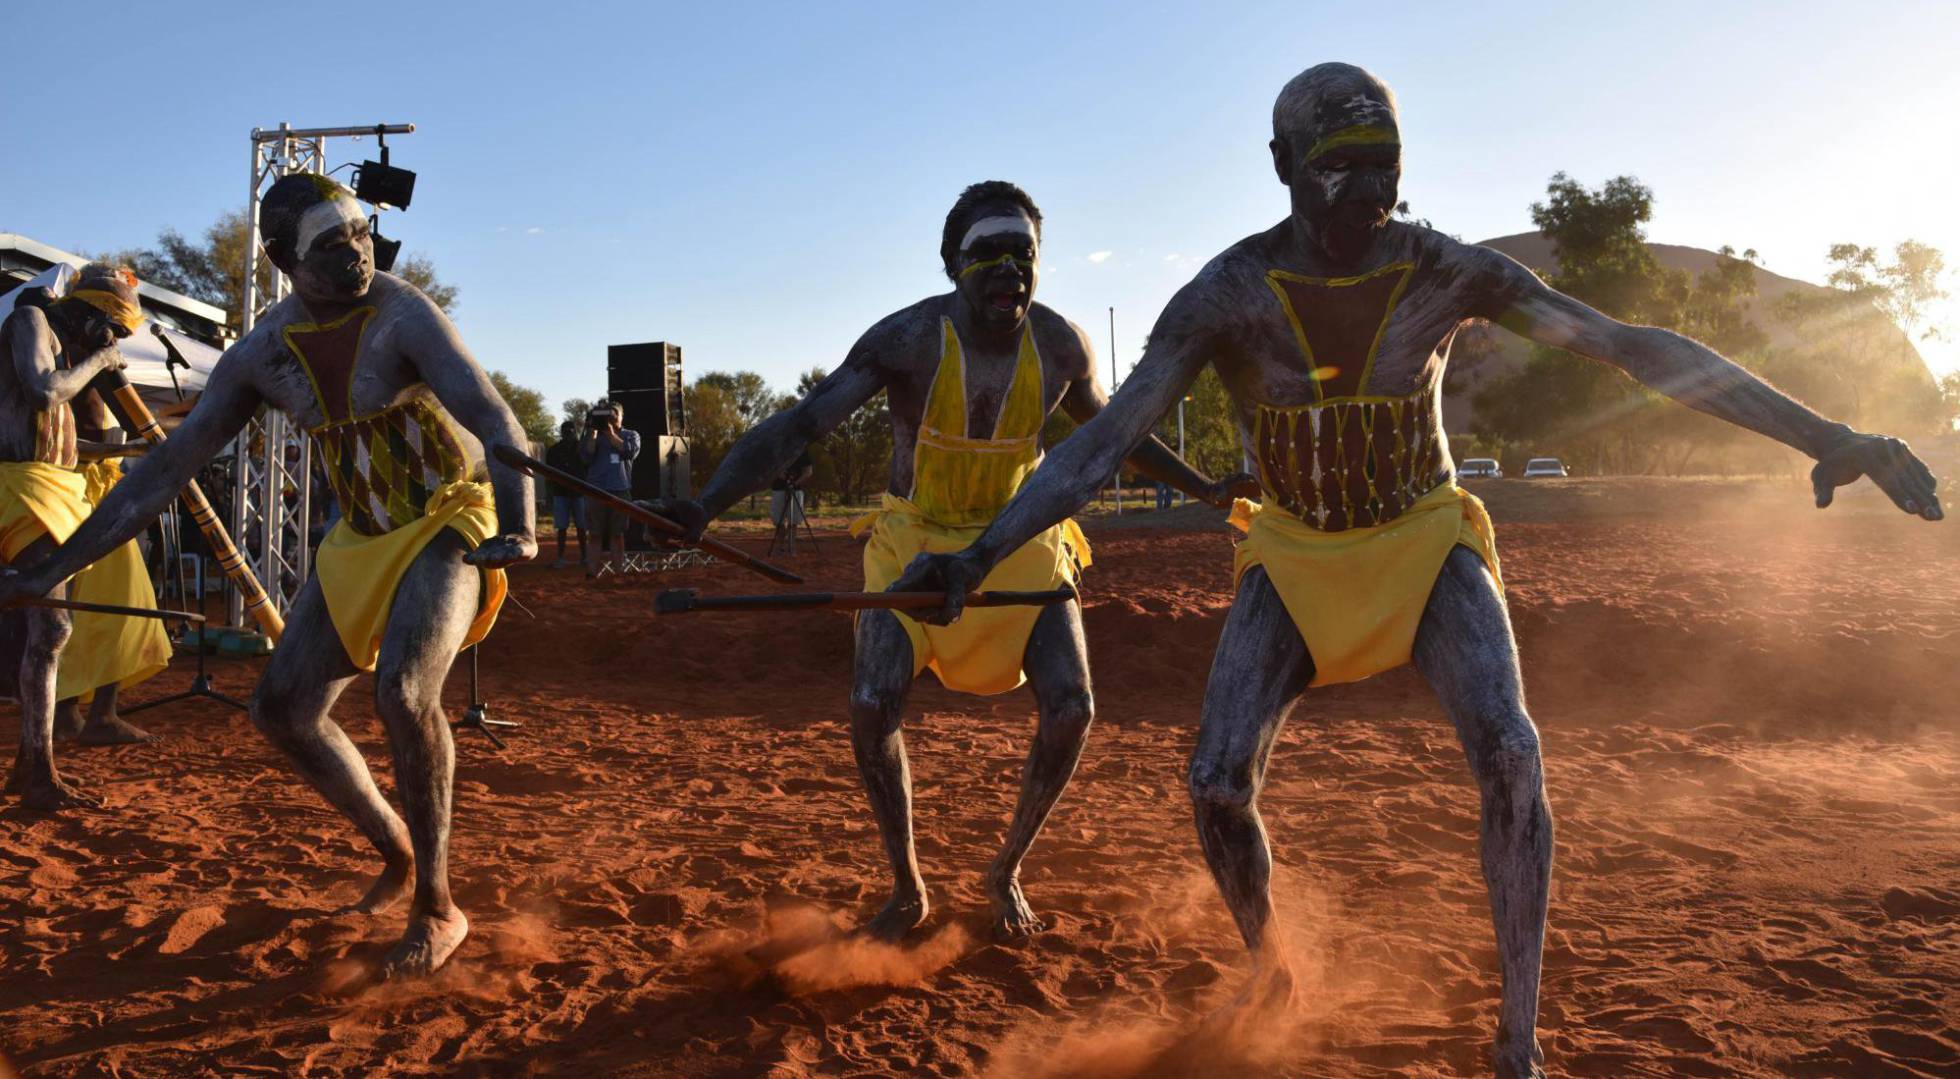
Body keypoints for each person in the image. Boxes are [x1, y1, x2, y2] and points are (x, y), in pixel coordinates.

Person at [888, 64, 1942, 1078]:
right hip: (1295, 555)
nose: (1368, 188)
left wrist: (1822, 432)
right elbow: (1100, 442)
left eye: (1382, 158)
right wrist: (976, 554)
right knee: (1214, 784)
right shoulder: (1226, 294)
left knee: (1510, 750)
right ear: (1281, 165)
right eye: (1337, 163)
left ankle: (1515, 1043)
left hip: (1424, 540)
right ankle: (1271, 971)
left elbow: (1631, 347)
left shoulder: (1447, 270)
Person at [659, 181, 1239, 940]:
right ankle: (907, 887)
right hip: (913, 542)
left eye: (1022, 255)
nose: (1008, 271)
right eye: (987, 254)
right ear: (950, 264)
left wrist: (1206, 487)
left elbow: (1116, 437)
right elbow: (800, 426)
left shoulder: (1061, 346)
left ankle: (1006, 868)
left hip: (1021, 541)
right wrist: (704, 502)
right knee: (872, 705)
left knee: (1073, 707)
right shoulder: (907, 341)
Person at [1, 175, 536, 977]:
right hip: (360, 535)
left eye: (361, 235)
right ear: (284, 257)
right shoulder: (261, 354)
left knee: (405, 692)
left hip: (448, 516)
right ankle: (394, 847)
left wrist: (522, 518)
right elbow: (162, 475)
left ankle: (437, 902)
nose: (357, 254)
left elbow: (496, 419)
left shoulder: (403, 313)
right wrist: (52, 565)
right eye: (332, 245)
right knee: (282, 708)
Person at [0, 263, 142, 807]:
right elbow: (42, 393)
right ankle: (38, 771)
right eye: (117, 333)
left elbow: (59, 441)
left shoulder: (65, 345)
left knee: (49, 629)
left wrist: (129, 453)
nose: (118, 344)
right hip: (22, 492)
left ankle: (31, 765)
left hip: (48, 488)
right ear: (93, 318)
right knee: (52, 626)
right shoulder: (31, 319)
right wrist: (100, 361)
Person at [579, 398, 639, 577]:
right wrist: (593, 435)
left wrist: (612, 434)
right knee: (595, 533)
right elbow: (586, 458)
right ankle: (591, 573)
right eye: (607, 416)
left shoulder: (631, 435)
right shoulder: (592, 435)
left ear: (621, 416)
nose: (611, 419)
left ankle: (619, 572)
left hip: (620, 489)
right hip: (595, 490)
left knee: (617, 534)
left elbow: (630, 452)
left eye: (614, 415)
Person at [543, 420, 587, 569]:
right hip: (560, 493)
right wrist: (550, 495)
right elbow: (548, 474)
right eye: (566, 431)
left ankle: (585, 557)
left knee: (582, 526)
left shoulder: (582, 449)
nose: (569, 434)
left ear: (576, 432)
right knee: (562, 527)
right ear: (561, 433)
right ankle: (560, 557)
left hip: (579, 493)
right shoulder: (554, 450)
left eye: (572, 431)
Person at [769, 447, 814, 554]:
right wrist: (778, 474)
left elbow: (808, 471)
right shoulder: (776, 450)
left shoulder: (801, 449)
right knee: (778, 520)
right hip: (778, 489)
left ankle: (791, 546)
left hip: (796, 490)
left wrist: (794, 483)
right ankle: (781, 546)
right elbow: (769, 468)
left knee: (794, 520)